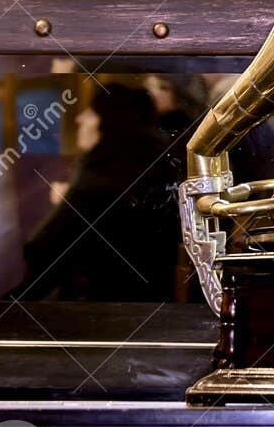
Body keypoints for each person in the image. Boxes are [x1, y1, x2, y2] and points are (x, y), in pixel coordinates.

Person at [16, 82, 186, 301]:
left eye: (90, 113)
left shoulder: (102, 170)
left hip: (103, 308)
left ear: (108, 120)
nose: (80, 119)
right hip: (152, 298)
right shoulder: (157, 160)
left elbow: (45, 248)